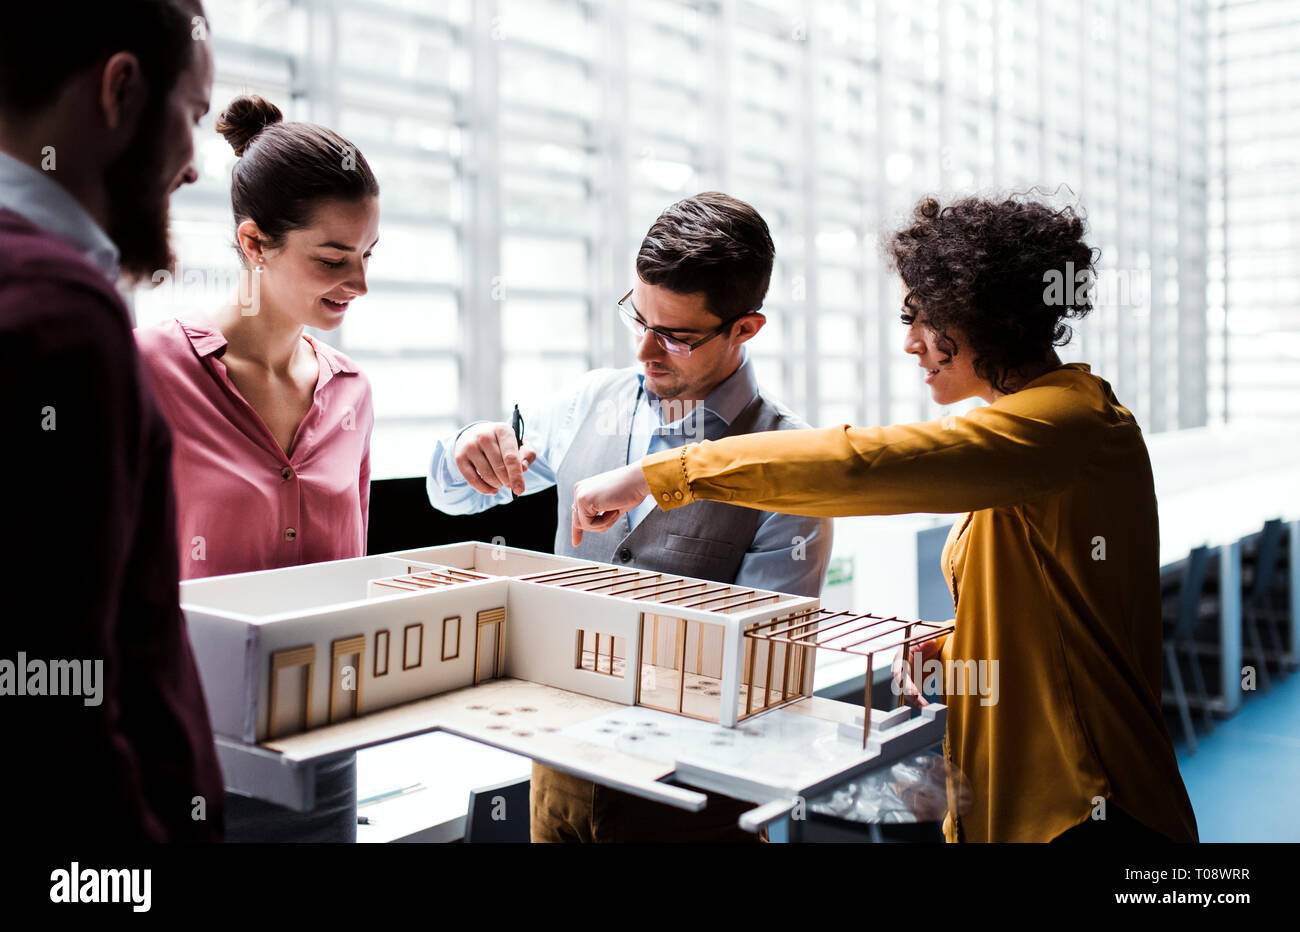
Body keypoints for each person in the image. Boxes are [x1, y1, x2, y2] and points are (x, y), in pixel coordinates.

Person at [571, 194, 1200, 844]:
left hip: (1090, 812)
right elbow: (1050, 621)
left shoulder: (1069, 428)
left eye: (921, 318)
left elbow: (859, 465)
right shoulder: (1028, 439)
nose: (910, 342)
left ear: (979, 317)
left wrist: (664, 473)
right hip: (1018, 813)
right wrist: (950, 650)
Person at [428, 192, 833, 842]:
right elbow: (458, 496)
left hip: (691, 805)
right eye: (637, 317)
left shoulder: (787, 462)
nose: (645, 351)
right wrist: (469, 448)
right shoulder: (591, 399)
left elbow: (764, 677)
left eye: (675, 335)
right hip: (559, 778)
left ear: (746, 328)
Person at [0, 0, 223, 841]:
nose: (194, 167)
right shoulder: (61, 319)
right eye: (191, 116)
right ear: (120, 90)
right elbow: (51, 706)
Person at [135, 94, 378, 842]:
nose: (358, 283)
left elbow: (352, 579)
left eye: (368, 256)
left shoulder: (352, 393)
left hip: (325, 748)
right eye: (333, 259)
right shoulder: (151, 370)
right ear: (255, 242)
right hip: (182, 748)